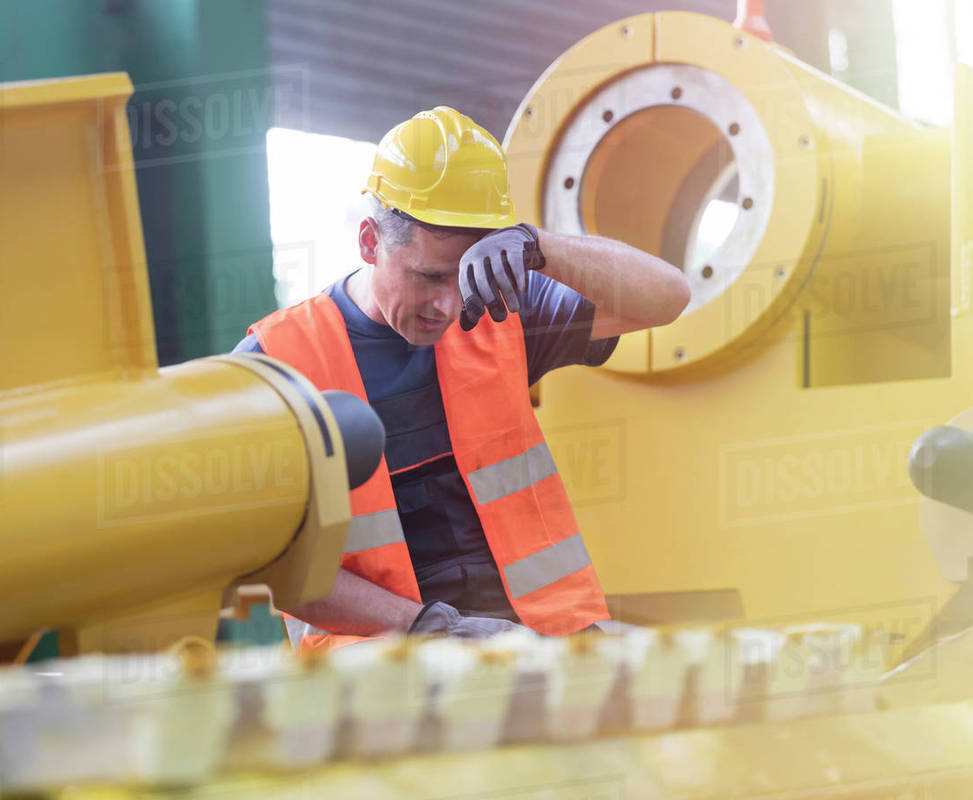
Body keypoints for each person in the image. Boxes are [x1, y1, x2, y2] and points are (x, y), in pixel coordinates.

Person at [237, 107, 689, 648]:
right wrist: (432, 628)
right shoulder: (277, 364)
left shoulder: (503, 310)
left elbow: (667, 296)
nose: (448, 306)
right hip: (381, 667)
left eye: (462, 277)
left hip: (543, 641)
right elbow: (260, 557)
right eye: (428, 277)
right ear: (369, 242)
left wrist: (538, 246)